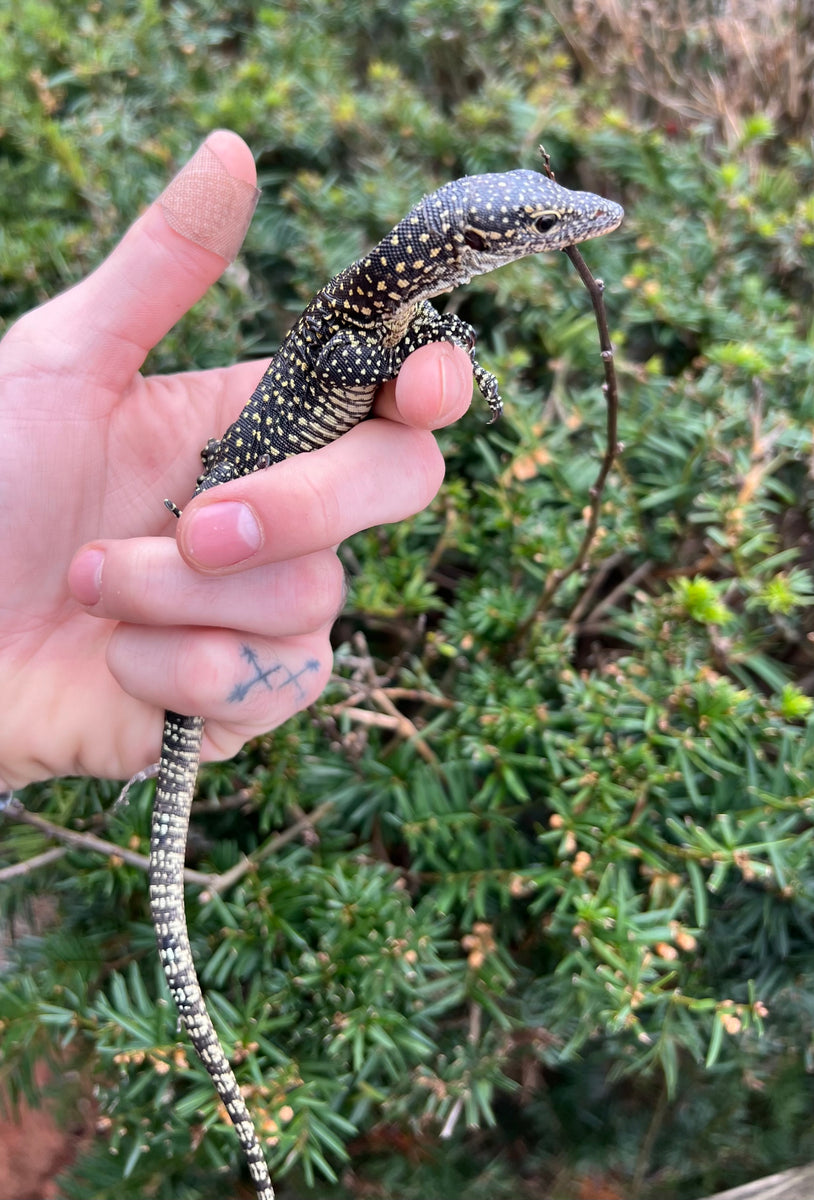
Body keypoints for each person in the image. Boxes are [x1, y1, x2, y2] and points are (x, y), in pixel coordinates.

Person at [0, 130, 473, 792]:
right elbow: (342, 361)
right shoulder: (373, 301)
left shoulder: (390, 297)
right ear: (470, 244)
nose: (557, 231)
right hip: (228, 494)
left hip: (216, 512)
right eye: (541, 226)